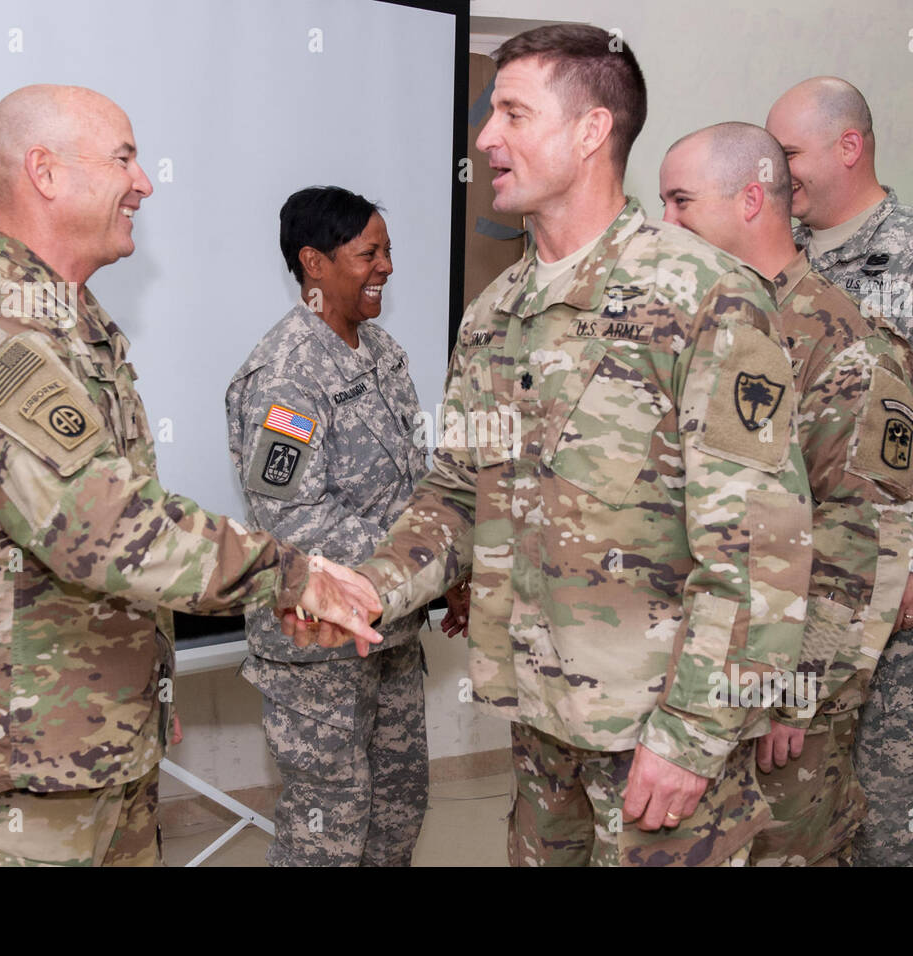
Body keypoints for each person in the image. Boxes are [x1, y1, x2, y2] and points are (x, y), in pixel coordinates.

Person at [294, 24, 814, 867]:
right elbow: (458, 496)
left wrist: (688, 737)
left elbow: (761, 549)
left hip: (659, 735)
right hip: (542, 726)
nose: (486, 137)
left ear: (590, 132)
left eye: (512, 113)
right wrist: (371, 587)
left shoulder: (703, 296)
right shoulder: (495, 314)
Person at [0, 85, 380, 867]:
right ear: (45, 172)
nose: (145, 181)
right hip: (19, 779)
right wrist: (293, 575)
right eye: (123, 157)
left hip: (99, 750)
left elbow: (121, 535)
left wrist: (144, 688)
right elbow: (108, 529)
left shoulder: (77, 329)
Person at [658, 123, 913, 866]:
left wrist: (793, 691)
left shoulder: (848, 341)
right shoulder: (703, 321)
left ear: (749, 201)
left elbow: (863, 534)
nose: (664, 225)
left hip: (787, 698)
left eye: (681, 202)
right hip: (703, 678)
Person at [766, 76, 913, 867]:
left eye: (790, 152)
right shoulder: (777, 258)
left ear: (849, 145)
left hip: (901, 583)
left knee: (886, 799)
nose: (776, 172)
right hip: (798, 574)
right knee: (801, 799)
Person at [225, 186, 450, 866]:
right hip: (316, 648)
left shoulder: (384, 353)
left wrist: (441, 572)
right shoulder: (284, 376)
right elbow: (293, 518)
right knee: (329, 832)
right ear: (314, 264)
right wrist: (419, 566)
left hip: (391, 632)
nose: (384, 267)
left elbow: (419, 479)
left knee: (398, 813)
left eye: (387, 252)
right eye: (367, 253)